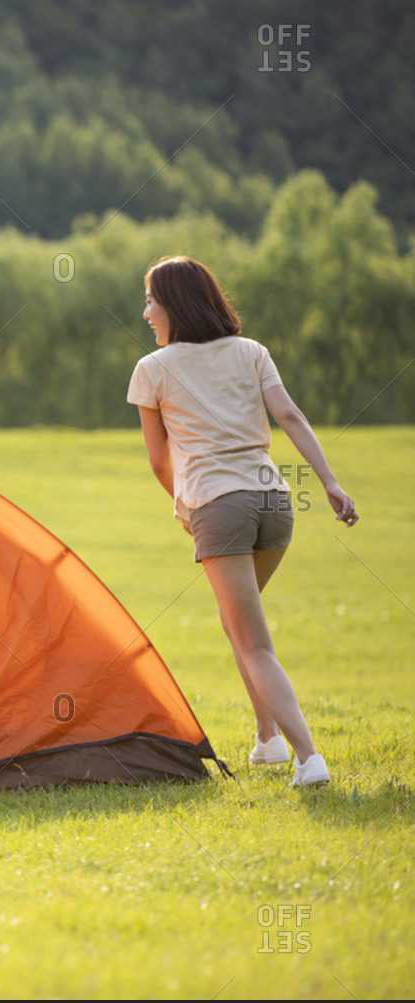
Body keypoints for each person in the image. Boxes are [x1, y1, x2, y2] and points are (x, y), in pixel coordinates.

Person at [127, 255, 357, 788]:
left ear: (174, 305)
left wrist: (186, 505)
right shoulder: (251, 353)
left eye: (150, 300)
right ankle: (267, 741)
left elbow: (160, 461)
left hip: (220, 506)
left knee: (252, 641)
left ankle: (308, 758)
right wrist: (330, 483)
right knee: (240, 626)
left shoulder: (152, 370)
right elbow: (292, 417)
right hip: (275, 503)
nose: (145, 313)